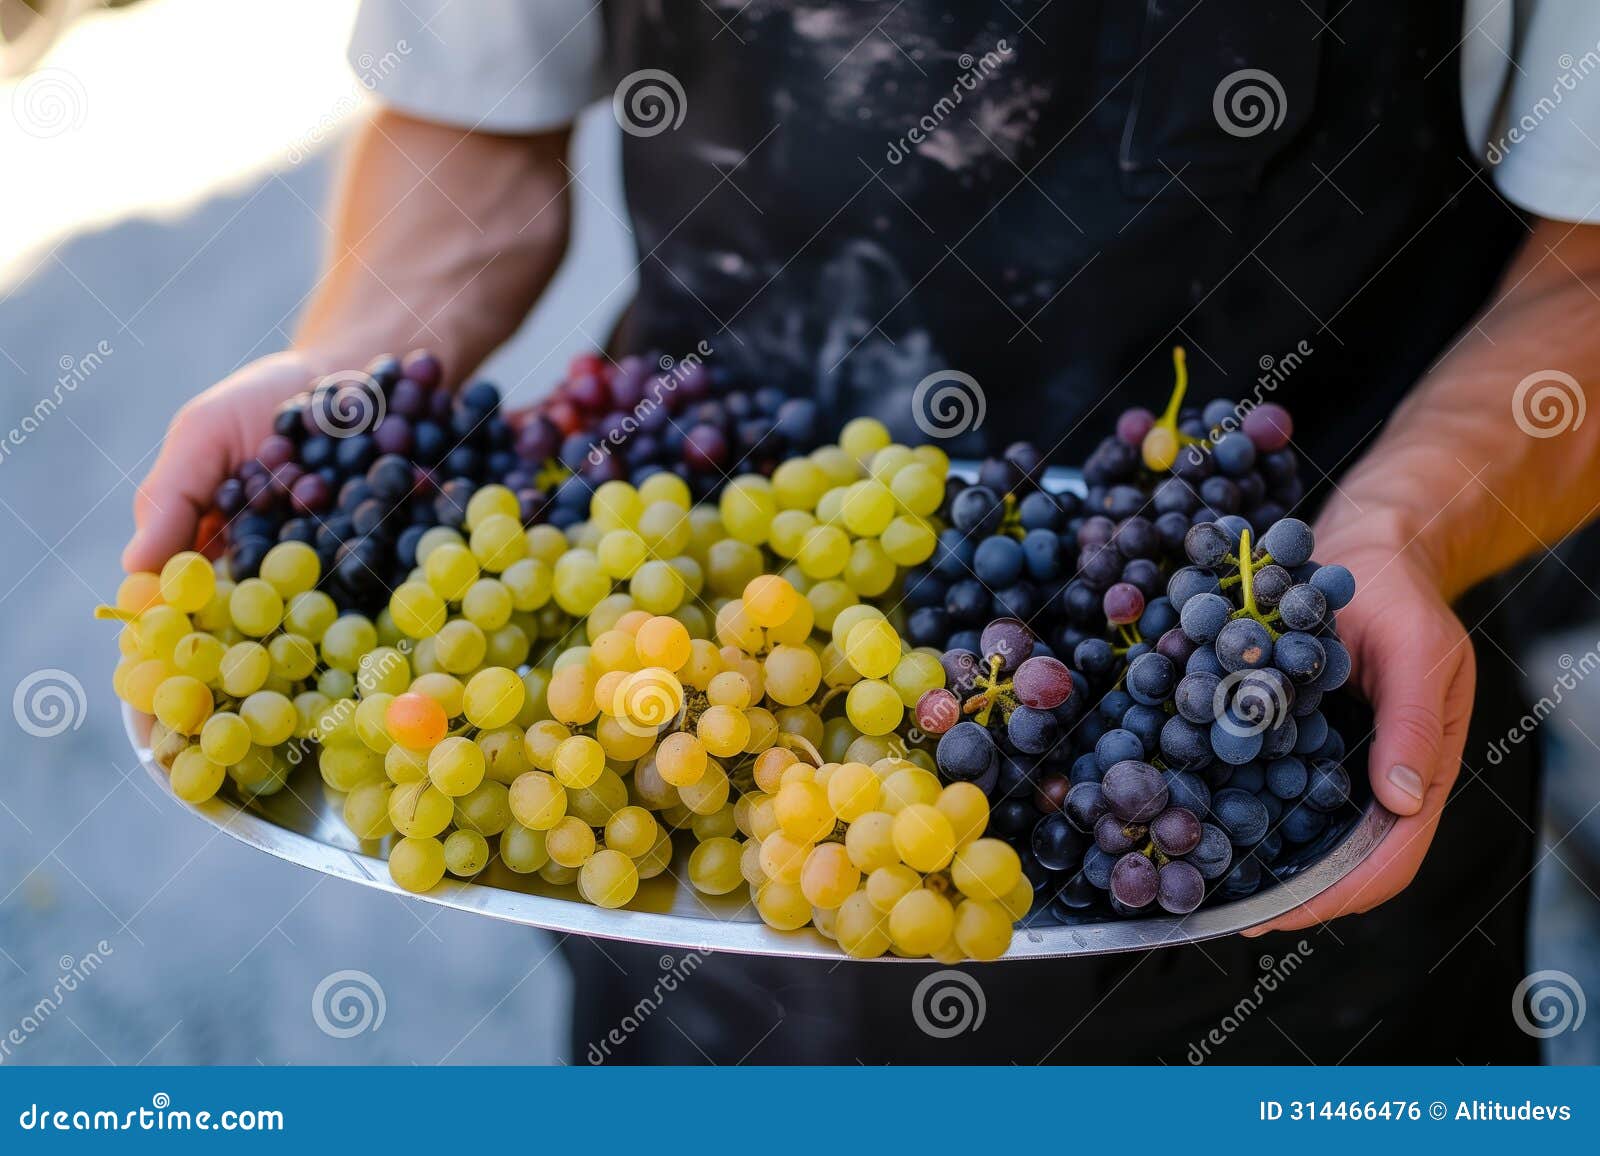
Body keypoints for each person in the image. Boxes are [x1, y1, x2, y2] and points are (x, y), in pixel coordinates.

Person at [125, 3, 1600, 1063]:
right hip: (698, 758)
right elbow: (474, 134)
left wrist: (1402, 527)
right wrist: (344, 381)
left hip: (1264, 739)